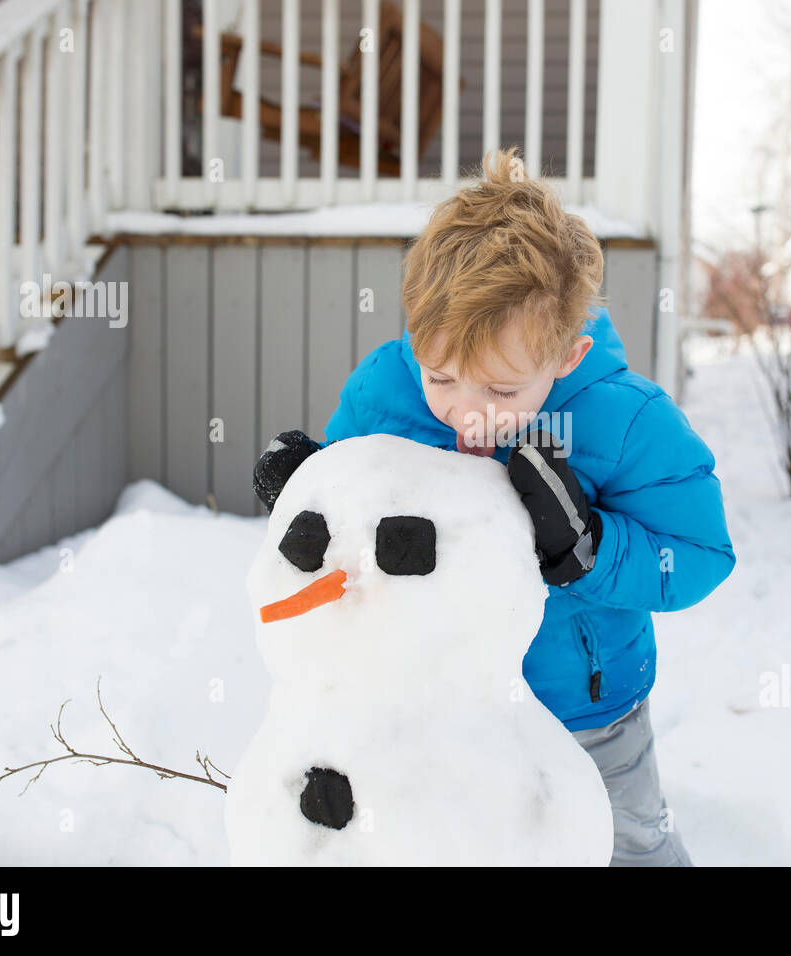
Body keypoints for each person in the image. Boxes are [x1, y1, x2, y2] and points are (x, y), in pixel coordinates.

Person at [252, 145, 736, 865]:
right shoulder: (385, 391)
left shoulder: (625, 420)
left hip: (584, 715)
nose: (466, 414)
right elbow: (358, 492)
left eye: (502, 391)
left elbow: (700, 555)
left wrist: (589, 553)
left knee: (626, 844)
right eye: (442, 375)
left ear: (567, 356)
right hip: (428, 702)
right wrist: (311, 487)